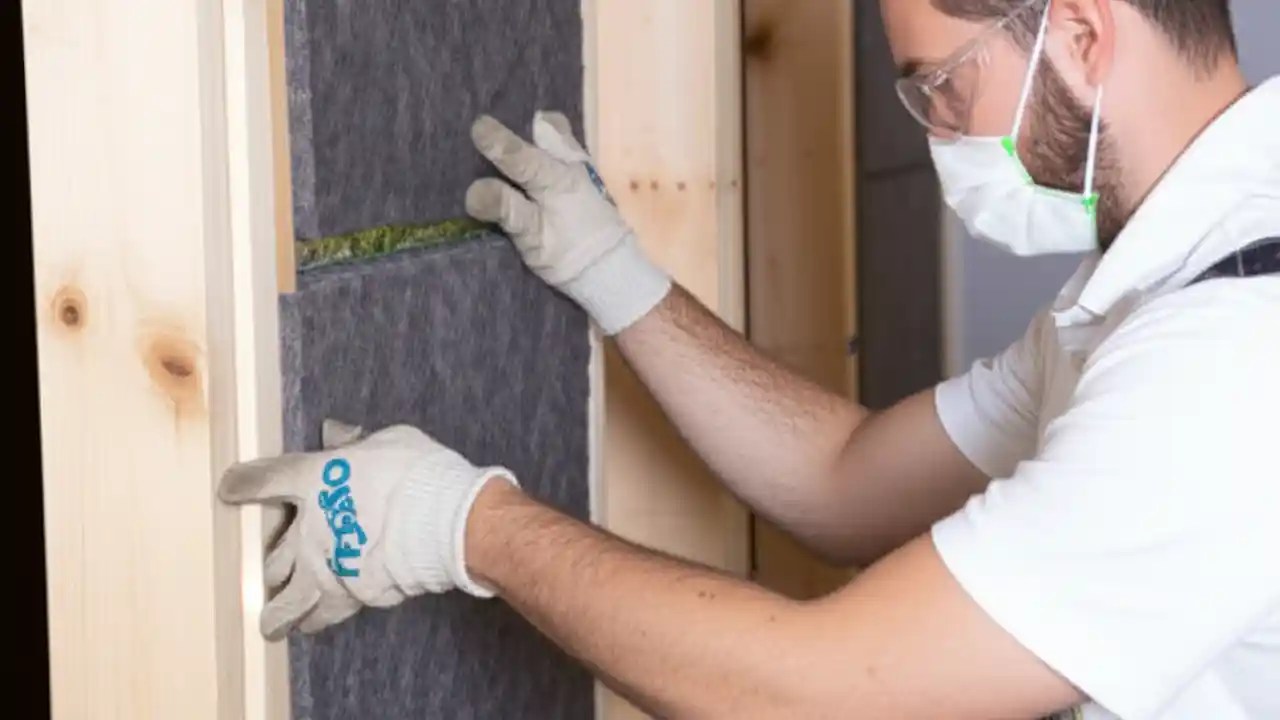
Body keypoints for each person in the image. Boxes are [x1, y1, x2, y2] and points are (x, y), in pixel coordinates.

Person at [218, 0, 1280, 716]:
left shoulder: (1225, 361)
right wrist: (615, 277)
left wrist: (459, 526)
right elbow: (847, 480)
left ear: (1085, 33)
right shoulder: (1157, 291)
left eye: (942, 88)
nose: (937, 137)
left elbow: (817, 693)